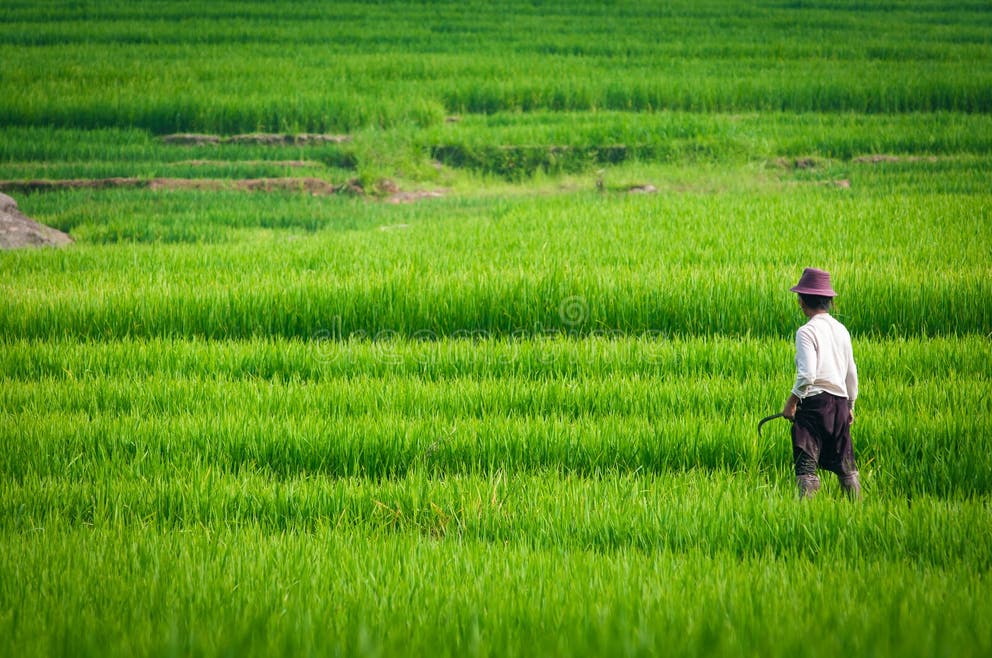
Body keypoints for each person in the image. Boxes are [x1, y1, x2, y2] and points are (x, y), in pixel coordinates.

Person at [781, 268, 862, 499]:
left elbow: (807, 375)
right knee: (846, 466)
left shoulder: (806, 331)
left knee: (806, 468)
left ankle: (807, 513)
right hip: (839, 403)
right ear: (827, 301)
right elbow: (851, 373)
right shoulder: (841, 330)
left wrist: (791, 403)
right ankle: (858, 509)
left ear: (803, 300)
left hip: (815, 404)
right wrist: (850, 406)